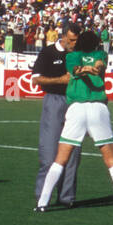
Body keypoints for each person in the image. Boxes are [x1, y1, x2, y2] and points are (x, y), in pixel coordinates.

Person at [35, 30, 113, 213]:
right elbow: (99, 66)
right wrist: (93, 68)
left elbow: (74, 71)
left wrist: (84, 70)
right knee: (111, 160)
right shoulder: (101, 54)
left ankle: (43, 203)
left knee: (60, 159)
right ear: (97, 43)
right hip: (98, 109)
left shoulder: (72, 56)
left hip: (76, 109)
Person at [31, 24, 81, 208]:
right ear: (63, 37)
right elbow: (36, 79)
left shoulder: (78, 55)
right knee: (49, 153)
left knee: (73, 153)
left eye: (77, 40)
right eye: (72, 40)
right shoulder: (48, 53)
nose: (75, 44)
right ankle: (42, 196)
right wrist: (61, 80)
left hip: (75, 103)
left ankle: (67, 198)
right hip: (54, 102)